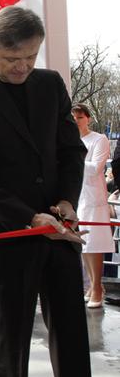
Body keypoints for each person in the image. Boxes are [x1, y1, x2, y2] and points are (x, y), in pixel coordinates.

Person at [0, 6, 90, 377]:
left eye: (31, 56)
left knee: (73, 336)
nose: (23, 67)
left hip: (60, 230)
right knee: (11, 342)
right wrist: (29, 217)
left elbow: (70, 150)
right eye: (13, 58)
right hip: (10, 234)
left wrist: (65, 201)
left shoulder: (50, 84)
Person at [72, 103, 114, 308]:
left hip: (93, 198)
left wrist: (73, 160)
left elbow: (96, 168)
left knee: (95, 243)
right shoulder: (69, 140)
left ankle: (97, 285)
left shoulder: (99, 139)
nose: (76, 121)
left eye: (80, 117)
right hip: (77, 197)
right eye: (73, 118)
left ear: (88, 118)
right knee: (85, 245)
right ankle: (92, 285)